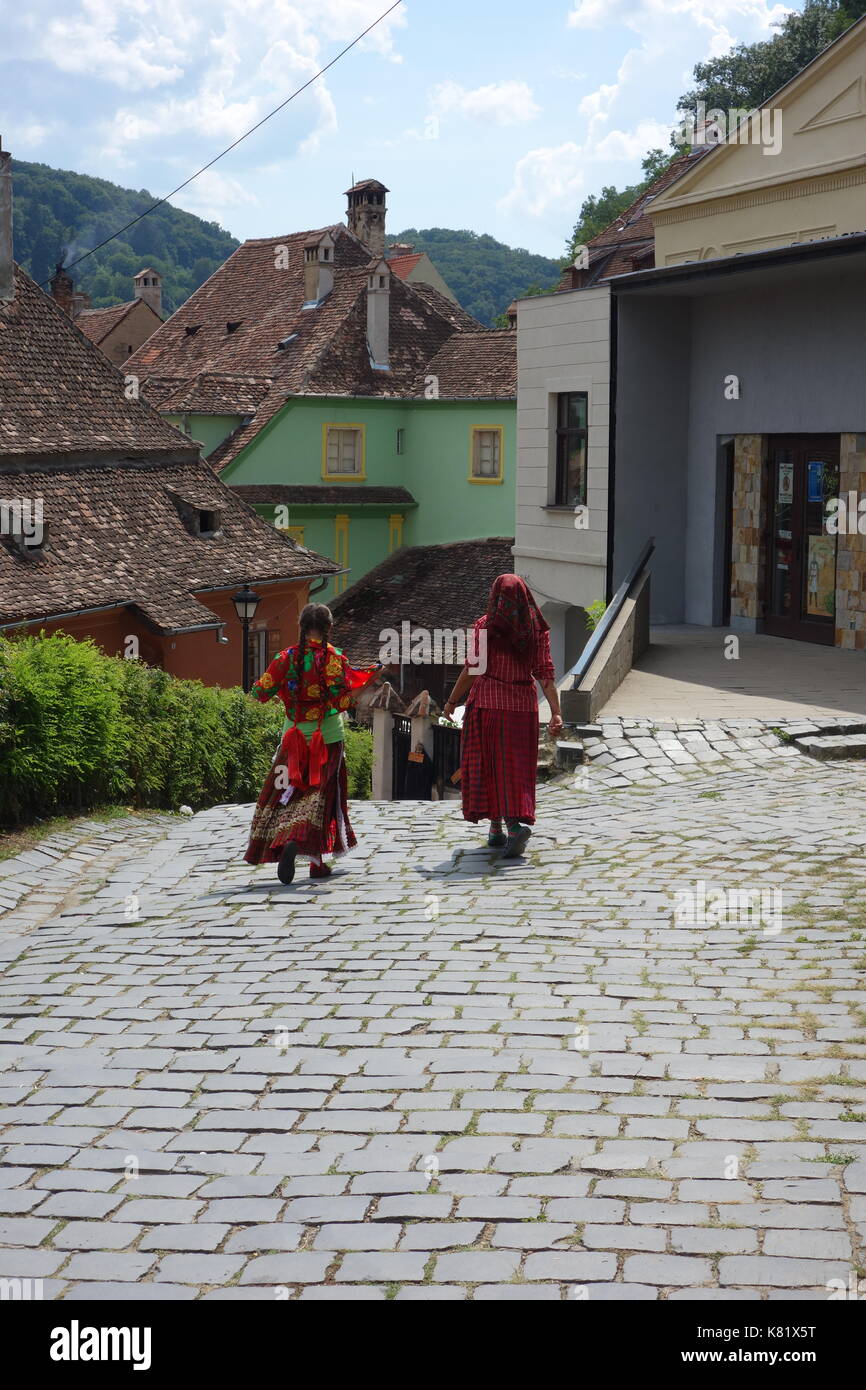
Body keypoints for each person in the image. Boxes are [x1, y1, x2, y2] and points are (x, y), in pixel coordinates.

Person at [244, 603, 381, 883]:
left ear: (301, 627)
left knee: (288, 792)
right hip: (328, 737)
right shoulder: (334, 659)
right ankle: (316, 861)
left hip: (292, 737)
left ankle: (286, 840)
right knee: (322, 798)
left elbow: (260, 692)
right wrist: (367, 680)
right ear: (329, 627)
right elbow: (343, 700)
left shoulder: (284, 658)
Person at [443, 574, 563, 859]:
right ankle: (495, 829)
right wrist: (556, 712)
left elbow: (474, 668)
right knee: (514, 771)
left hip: (488, 706)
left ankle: (511, 826)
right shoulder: (537, 631)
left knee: (487, 765)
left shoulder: (486, 627)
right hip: (523, 710)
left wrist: (451, 700)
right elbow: (545, 674)